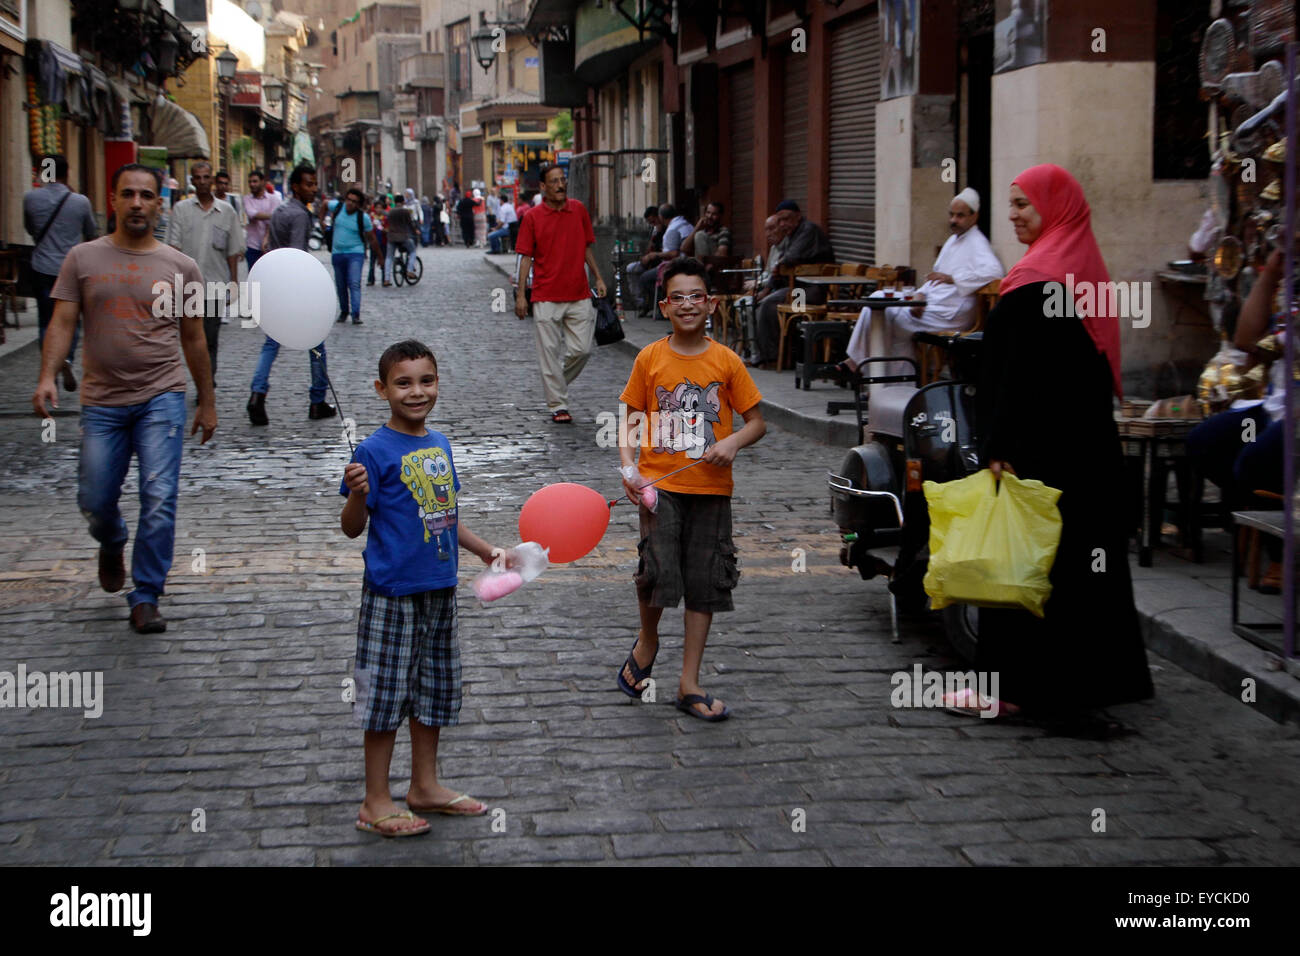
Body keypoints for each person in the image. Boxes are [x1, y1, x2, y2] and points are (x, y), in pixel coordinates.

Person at [962, 163, 1153, 737]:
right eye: (1012, 204)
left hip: (1038, 452)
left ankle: (1017, 688)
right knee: (1084, 564)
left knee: (1028, 561)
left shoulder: (1036, 276)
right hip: (1087, 450)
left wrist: (997, 445)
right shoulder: (1082, 266)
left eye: (1024, 204)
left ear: (1054, 207)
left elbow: (1013, 378)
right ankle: (1100, 678)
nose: (1015, 214)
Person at [31, 163, 216, 634]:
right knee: (95, 498)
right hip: (101, 402)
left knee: (159, 497)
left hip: (162, 397)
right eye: (128, 194)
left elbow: (194, 339)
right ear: (112, 200)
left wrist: (206, 401)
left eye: (146, 195)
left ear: (159, 204)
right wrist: (48, 375)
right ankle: (111, 541)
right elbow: (63, 323)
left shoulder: (182, 267)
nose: (137, 203)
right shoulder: (82, 259)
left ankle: (146, 594)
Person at [340, 339, 507, 836]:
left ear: (438, 383)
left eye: (426, 381)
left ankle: (424, 786)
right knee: (384, 694)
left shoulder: (440, 445)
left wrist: (482, 549)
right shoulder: (370, 450)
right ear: (381, 389)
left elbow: (443, 515)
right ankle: (375, 800)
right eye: (404, 383)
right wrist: (355, 495)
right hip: (391, 592)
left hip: (439, 587)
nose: (417, 392)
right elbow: (352, 528)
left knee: (433, 689)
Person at [616, 257, 766, 721]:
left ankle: (689, 683)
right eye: (677, 297)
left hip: (712, 490)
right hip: (658, 490)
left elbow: (757, 422)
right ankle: (648, 639)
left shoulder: (727, 361)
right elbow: (631, 418)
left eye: (695, 296)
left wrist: (733, 442)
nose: (687, 304)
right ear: (665, 307)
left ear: (711, 304)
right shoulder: (650, 358)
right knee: (656, 571)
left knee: (705, 582)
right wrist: (628, 468)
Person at [1187, 246, 1290, 591]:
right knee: (1206, 443)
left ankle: (1282, 553)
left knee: (1254, 462)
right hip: (1275, 408)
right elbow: (1247, 341)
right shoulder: (1288, 281)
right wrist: (1272, 273)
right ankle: (1261, 515)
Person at [842, 188, 1004, 377]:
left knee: (887, 316)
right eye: (951, 215)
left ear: (974, 216)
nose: (953, 220)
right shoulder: (952, 241)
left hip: (951, 312)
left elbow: (994, 272)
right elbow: (935, 277)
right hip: (932, 303)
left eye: (960, 216)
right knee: (878, 301)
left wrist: (952, 279)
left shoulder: (978, 242)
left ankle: (858, 365)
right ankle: (889, 383)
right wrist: (920, 294)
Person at [514, 163, 606, 424]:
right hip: (545, 295)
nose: (560, 185)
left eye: (562, 180)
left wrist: (598, 276)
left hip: (578, 292)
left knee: (582, 349)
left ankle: (555, 383)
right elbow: (526, 258)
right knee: (549, 353)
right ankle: (558, 405)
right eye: (553, 181)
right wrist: (521, 295)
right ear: (543, 187)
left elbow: (587, 248)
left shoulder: (578, 210)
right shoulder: (532, 217)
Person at [247, 163, 336, 425]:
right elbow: (297, 257)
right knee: (317, 344)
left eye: (314, 184)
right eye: (308, 184)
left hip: (275, 286)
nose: (313, 188)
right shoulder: (299, 215)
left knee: (271, 343)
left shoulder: (280, 210)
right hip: (293, 288)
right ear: (296, 187)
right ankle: (317, 401)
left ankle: (257, 394)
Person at [23, 153, 97, 392]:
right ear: (67, 172)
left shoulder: (30, 199)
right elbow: (91, 231)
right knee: (72, 320)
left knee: (46, 320)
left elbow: (31, 228)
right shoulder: (80, 201)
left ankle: (48, 370)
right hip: (70, 268)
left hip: (42, 266)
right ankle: (67, 359)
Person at [165, 161, 243, 382]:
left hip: (214, 286)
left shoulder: (227, 212)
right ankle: (201, 377)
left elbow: (233, 251)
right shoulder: (181, 210)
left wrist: (234, 283)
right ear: (192, 181)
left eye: (205, 177)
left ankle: (207, 380)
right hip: (187, 287)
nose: (201, 182)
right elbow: (173, 248)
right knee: (190, 338)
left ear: (212, 179)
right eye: (197, 178)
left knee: (210, 338)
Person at [751, 199, 836, 367]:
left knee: (770, 305)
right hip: (798, 289)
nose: (783, 224)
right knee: (763, 303)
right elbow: (782, 265)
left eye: (787, 219)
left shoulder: (808, 230)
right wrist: (767, 287)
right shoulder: (793, 234)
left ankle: (775, 358)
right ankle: (770, 355)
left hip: (811, 292)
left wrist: (778, 270)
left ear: (798, 216)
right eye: (780, 220)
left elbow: (790, 258)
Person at [328, 187, 382, 325]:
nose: (350, 203)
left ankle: (355, 314)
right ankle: (344, 311)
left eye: (354, 201)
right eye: (348, 200)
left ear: (359, 204)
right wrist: (323, 222)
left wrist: (380, 257)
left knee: (354, 283)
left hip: (355, 253)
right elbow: (324, 205)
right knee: (340, 285)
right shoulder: (338, 208)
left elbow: (372, 239)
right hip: (337, 253)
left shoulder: (363, 218)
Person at [624, 205, 664, 312]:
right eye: (650, 223)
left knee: (645, 277)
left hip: (660, 263)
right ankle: (640, 302)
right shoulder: (655, 230)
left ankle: (652, 303)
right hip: (650, 262)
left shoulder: (666, 229)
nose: (653, 224)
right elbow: (650, 247)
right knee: (631, 269)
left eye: (654, 221)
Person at [242, 168, 279, 271]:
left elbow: (272, 223)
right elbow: (252, 214)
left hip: (270, 247)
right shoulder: (246, 199)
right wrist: (272, 216)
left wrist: (266, 238)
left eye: (255, 181)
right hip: (252, 246)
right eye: (250, 182)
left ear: (262, 182)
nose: (252, 184)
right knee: (254, 281)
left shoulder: (274, 199)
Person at [382, 194, 417, 286]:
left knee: (389, 257)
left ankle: (386, 279)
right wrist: (415, 232)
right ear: (403, 202)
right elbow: (410, 224)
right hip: (403, 237)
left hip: (391, 237)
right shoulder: (405, 212)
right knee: (413, 251)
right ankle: (409, 270)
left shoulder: (390, 212)